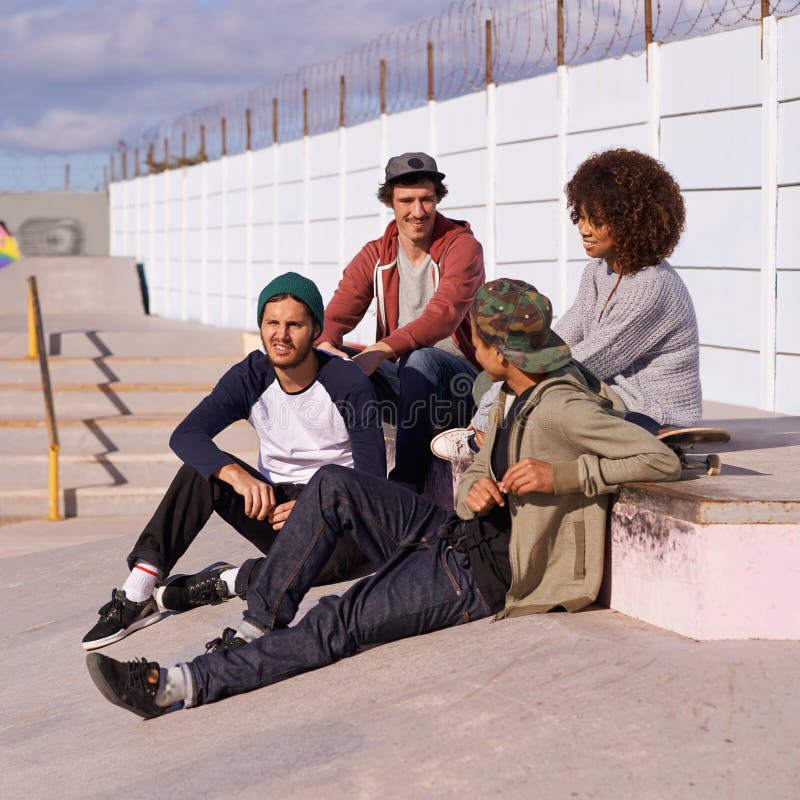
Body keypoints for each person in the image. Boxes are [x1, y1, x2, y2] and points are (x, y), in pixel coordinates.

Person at [84, 278, 681, 719]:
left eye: (475, 341)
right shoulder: (505, 395)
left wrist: (561, 476)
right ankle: (254, 622)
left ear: (500, 353)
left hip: (480, 576)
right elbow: (476, 468)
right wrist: (478, 482)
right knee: (331, 484)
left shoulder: (562, 405)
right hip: (451, 531)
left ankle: (178, 684)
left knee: (337, 621)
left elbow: (661, 459)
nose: (469, 349)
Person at [82, 272, 386, 651]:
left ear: (315, 330)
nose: (281, 335)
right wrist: (237, 475)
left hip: (340, 516)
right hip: (275, 508)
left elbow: (374, 481)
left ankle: (226, 581)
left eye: (294, 325)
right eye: (272, 323)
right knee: (201, 472)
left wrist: (318, 507)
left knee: (331, 565)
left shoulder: (347, 382)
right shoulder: (251, 376)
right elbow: (186, 434)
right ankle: (138, 591)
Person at [432, 148, 701, 463]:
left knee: (545, 395)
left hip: (652, 412)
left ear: (631, 223)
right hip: (610, 393)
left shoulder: (652, 286)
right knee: (487, 381)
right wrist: (497, 394)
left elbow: (586, 361)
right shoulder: (598, 271)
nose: (584, 229)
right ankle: (493, 436)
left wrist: (489, 414)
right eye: (581, 217)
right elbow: (552, 341)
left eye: (597, 221)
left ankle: (484, 442)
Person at [315, 152, 485, 493]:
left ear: (438, 199)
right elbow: (336, 314)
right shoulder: (375, 255)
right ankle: (329, 471)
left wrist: (381, 349)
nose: (418, 211)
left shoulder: (462, 248)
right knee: (324, 361)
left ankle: (406, 485)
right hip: (407, 388)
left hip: (461, 388)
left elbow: (443, 316)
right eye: (406, 201)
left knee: (419, 358)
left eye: (427, 199)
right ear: (389, 202)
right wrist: (326, 344)